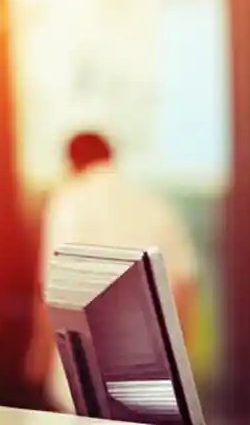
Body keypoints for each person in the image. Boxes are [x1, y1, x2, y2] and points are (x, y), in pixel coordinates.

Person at [27, 131, 201, 412]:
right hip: (147, 372)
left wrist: (40, 355)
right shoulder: (155, 205)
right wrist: (179, 362)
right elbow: (184, 286)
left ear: (70, 164)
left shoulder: (70, 201)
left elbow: (55, 287)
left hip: (85, 370)